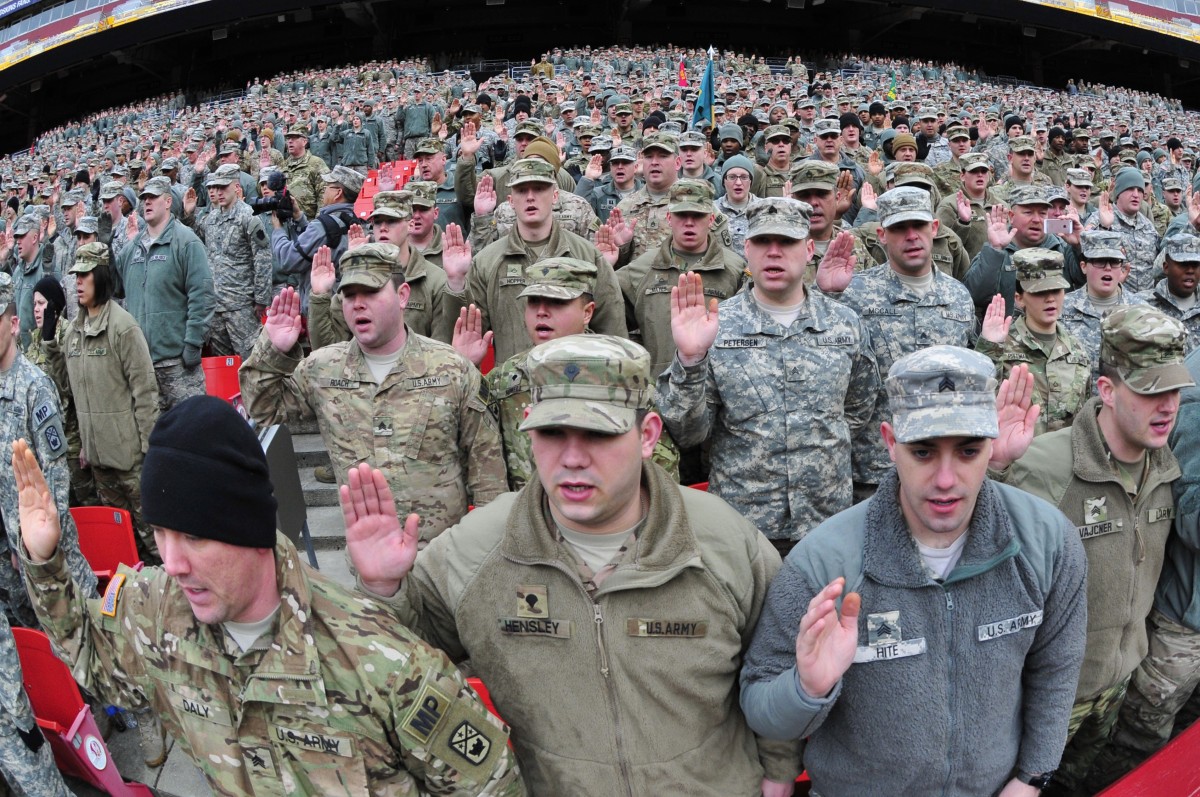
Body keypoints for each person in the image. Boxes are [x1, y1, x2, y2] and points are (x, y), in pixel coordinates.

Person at [343, 334, 803, 796]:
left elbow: (776, 660)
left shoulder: (722, 542)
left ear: (647, 436)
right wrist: (383, 588)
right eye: (551, 433)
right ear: (528, 427)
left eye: (599, 434)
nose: (573, 459)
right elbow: (391, 665)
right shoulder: (476, 550)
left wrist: (780, 771)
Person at [12, 396, 524, 797]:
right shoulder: (156, 610)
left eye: (194, 536)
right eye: (161, 533)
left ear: (248, 529)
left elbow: (491, 785)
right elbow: (96, 667)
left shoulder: (381, 663)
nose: (172, 562)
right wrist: (46, 562)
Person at [739, 345, 1088, 797]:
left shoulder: (1046, 543)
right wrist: (807, 687)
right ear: (889, 442)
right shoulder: (824, 563)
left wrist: (1031, 778)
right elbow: (761, 708)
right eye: (923, 452)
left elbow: (1056, 670)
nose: (946, 479)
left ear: (991, 444)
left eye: (967, 450)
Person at [989, 305, 1193, 796]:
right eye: (1149, 391)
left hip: (1116, 686)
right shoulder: (1046, 466)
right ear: (1106, 390)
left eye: (1174, 391)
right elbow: (974, 561)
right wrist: (992, 470)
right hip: (1047, 700)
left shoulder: (1165, 468)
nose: (1167, 406)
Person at [239, 244, 506, 542]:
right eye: (350, 295)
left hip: (444, 564)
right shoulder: (323, 369)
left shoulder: (450, 368)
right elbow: (263, 408)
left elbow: (488, 473)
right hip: (371, 569)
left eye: (371, 292)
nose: (358, 304)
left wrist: (483, 550)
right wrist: (271, 349)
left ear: (402, 295)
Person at [656, 198, 878, 552]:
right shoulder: (715, 327)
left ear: (808, 249)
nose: (773, 252)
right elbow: (688, 432)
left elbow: (858, 409)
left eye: (786, 242)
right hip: (742, 526)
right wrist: (691, 358)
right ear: (747, 249)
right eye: (762, 242)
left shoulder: (844, 324)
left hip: (825, 522)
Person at [817, 186, 975, 500]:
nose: (911, 236)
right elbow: (821, 363)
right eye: (899, 228)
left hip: (943, 467)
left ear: (934, 228)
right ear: (881, 235)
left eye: (918, 226)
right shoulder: (854, 293)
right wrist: (825, 297)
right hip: (874, 468)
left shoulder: (958, 296)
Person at [42, 241, 159, 562]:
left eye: (85, 275)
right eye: (75, 276)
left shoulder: (123, 327)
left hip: (131, 460)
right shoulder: (75, 331)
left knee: (156, 540)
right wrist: (52, 345)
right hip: (98, 462)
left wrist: (151, 451)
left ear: (102, 277)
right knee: (122, 546)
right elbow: (67, 389)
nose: (77, 282)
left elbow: (145, 393)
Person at [461, 157, 626, 364]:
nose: (530, 197)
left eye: (539, 189)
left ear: (555, 196)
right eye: (521, 190)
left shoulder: (587, 256)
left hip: (574, 387)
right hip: (511, 390)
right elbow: (470, 340)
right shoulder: (487, 261)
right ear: (511, 201)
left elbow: (613, 332)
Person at [616, 179, 746, 376]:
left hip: (720, 389)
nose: (689, 222)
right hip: (659, 390)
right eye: (681, 215)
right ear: (669, 218)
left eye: (697, 215)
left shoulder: (734, 268)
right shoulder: (643, 268)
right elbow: (606, 314)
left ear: (711, 220)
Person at [114, 176, 215, 412]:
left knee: (190, 433)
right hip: (142, 365)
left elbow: (203, 295)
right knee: (154, 441)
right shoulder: (132, 248)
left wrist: (192, 343)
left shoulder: (186, 241)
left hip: (178, 363)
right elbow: (114, 286)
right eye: (144, 198)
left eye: (153, 198)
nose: (146, 203)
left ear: (168, 201)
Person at [976, 249, 1092, 435]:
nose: (1050, 299)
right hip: (1016, 460)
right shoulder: (1000, 346)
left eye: (1056, 290)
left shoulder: (1077, 351)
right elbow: (978, 403)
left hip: (1065, 460)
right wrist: (990, 348)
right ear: (1019, 298)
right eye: (1039, 292)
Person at [182, 164, 272, 361]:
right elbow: (199, 235)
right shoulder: (213, 217)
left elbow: (262, 259)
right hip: (216, 305)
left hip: (241, 305)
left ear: (236, 186)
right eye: (215, 187)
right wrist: (189, 215)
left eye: (224, 187)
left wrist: (261, 299)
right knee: (224, 363)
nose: (218, 192)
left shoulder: (248, 217)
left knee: (252, 360)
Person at [271, 164, 361, 314]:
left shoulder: (323, 226)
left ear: (338, 193)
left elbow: (288, 259)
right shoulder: (351, 219)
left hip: (321, 310)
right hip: (340, 306)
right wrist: (299, 217)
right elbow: (317, 242)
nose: (324, 190)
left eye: (328, 186)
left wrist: (278, 230)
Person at [1060, 230, 1144, 386]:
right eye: (1099, 261)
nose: (1107, 268)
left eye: (1114, 262)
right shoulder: (1061, 308)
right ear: (1084, 266)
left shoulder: (1141, 311)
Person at [1137, 233, 1200, 353]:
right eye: (1183, 264)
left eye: (1195, 265)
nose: (1190, 271)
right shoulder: (1142, 306)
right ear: (1166, 267)